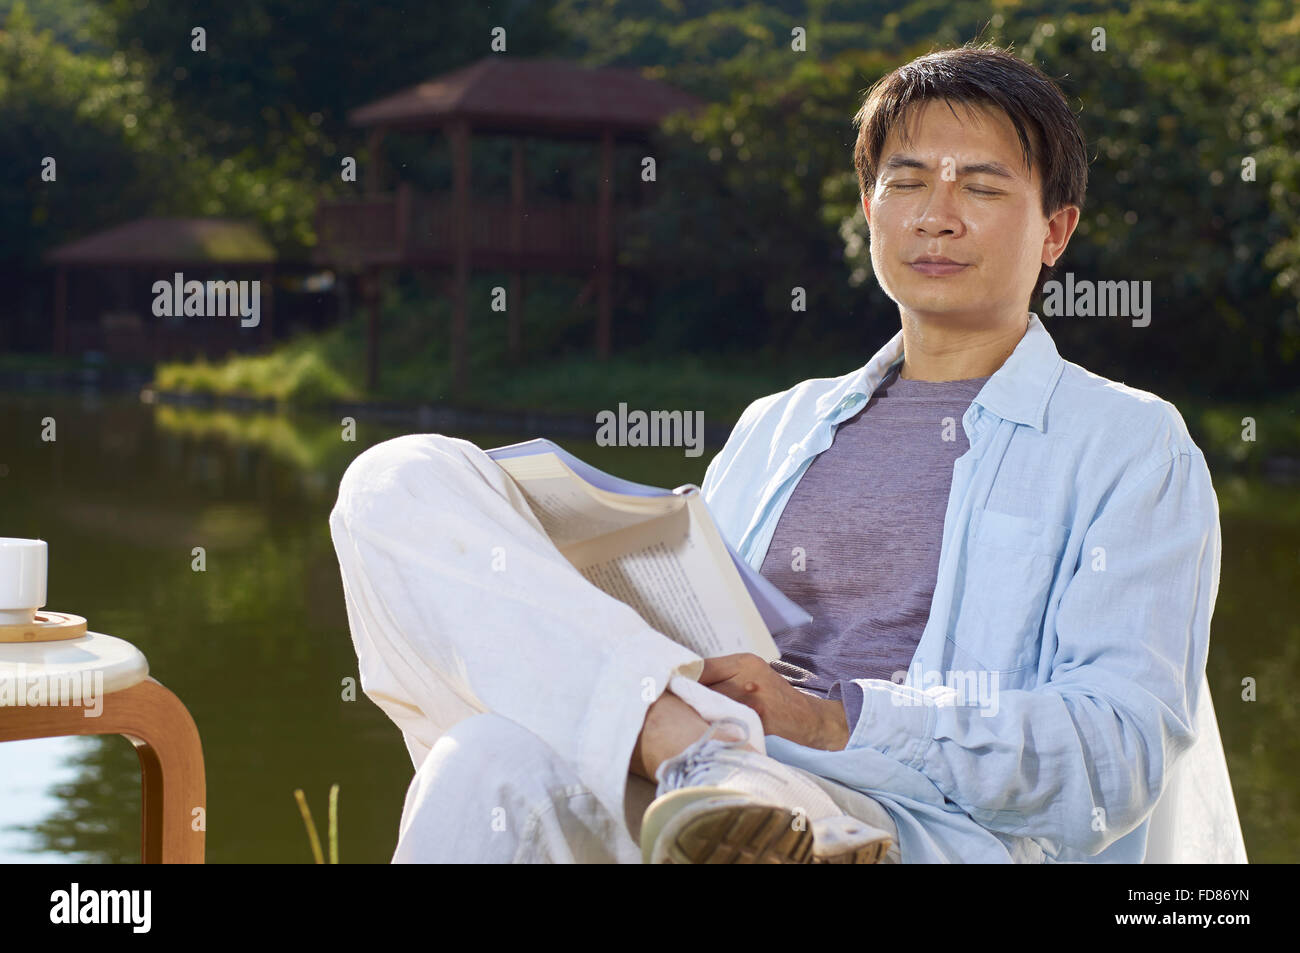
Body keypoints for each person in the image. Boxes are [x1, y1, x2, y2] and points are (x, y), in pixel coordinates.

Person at [328, 41, 1243, 863]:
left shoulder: (1126, 443)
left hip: (907, 829)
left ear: (1055, 231)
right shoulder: (780, 423)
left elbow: (1113, 751)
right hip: (704, 797)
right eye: (909, 179)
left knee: (492, 758)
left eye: (985, 186)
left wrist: (828, 715)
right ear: (869, 211)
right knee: (397, 484)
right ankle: (699, 751)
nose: (938, 214)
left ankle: (712, 758)